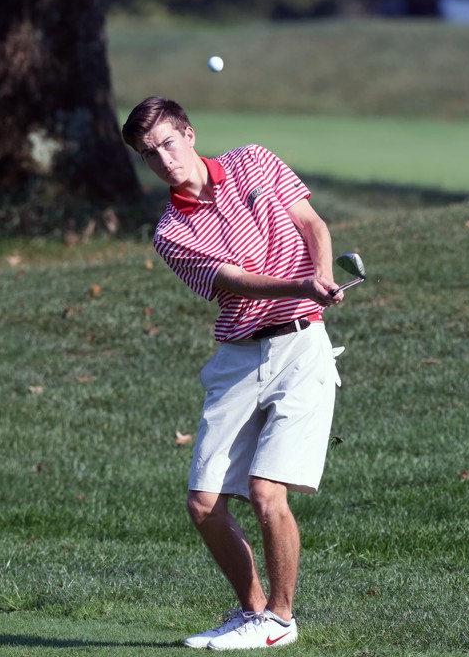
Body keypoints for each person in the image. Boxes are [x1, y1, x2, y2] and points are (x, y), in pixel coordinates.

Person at [122, 97, 345, 650]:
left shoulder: (255, 161)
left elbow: (311, 221)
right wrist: (301, 286)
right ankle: (254, 613)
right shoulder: (172, 232)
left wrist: (318, 275)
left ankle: (281, 619)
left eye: (169, 143)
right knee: (203, 504)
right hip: (240, 358)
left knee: (267, 492)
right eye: (150, 154)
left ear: (190, 134)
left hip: (302, 347)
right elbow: (237, 281)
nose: (165, 159)